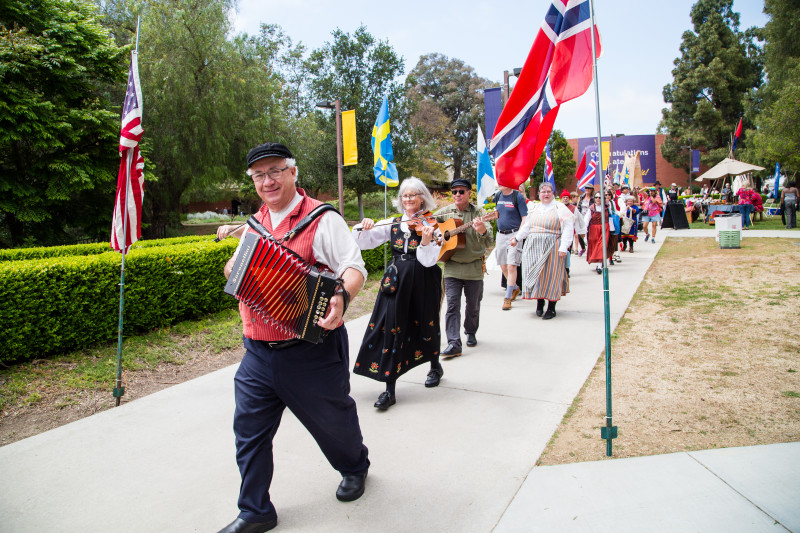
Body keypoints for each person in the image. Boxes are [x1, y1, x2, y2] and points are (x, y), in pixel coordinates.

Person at [219, 143, 370, 533]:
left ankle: (355, 466)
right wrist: (231, 267)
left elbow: (354, 267)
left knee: (332, 422)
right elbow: (235, 272)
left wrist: (341, 296)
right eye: (258, 175)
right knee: (248, 433)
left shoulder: (321, 219)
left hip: (311, 350)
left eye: (274, 171)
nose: (267, 181)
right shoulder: (253, 225)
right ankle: (255, 510)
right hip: (257, 350)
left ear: (292, 172)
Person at [351, 177, 444, 410]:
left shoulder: (432, 225)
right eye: (404, 195)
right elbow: (364, 243)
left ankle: (435, 365)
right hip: (396, 281)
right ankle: (389, 390)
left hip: (423, 280)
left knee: (426, 323)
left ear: (422, 197)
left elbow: (428, 260)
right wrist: (363, 227)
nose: (408, 199)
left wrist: (425, 240)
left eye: (413, 195)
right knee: (391, 327)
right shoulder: (391, 223)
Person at [434, 179, 494, 357]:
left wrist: (482, 229)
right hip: (452, 266)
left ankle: (471, 331)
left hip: (474, 267)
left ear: (469, 193)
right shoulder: (446, 212)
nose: (457, 195)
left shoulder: (480, 213)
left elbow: (489, 240)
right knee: (452, 305)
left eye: (461, 191)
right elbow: (430, 222)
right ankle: (454, 342)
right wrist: (437, 236)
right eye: (454, 192)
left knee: (473, 306)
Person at [510, 182, 573, 319]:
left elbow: (568, 228)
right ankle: (539, 302)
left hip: (552, 245)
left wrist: (564, 247)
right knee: (536, 275)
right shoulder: (534, 208)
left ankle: (551, 308)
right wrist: (517, 238)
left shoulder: (560, 208)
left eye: (548, 191)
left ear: (553, 193)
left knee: (551, 276)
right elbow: (527, 226)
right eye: (543, 191)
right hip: (533, 246)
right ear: (539, 194)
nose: (546, 194)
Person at [494, 184, 528, 310]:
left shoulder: (517, 196)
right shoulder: (498, 195)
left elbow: (525, 219)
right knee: (503, 266)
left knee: (511, 265)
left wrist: (518, 236)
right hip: (500, 234)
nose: (499, 184)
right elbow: (498, 213)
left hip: (514, 233)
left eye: (502, 181)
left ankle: (507, 298)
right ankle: (514, 288)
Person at [584, 190, 610, 274]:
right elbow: (586, 220)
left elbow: (615, 213)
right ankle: (599, 263)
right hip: (594, 228)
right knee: (595, 245)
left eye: (600, 197)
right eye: (596, 197)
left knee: (602, 246)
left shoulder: (607, 207)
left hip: (604, 228)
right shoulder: (591, 208)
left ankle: (600, 265)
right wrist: (584, 231)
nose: (598, 199)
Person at [569, 191, 587, 256]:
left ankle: (577, 248)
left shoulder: (578, 204)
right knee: (572, 235)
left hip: (578, 221)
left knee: (577, 235)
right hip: (572, 222)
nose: (577, 199)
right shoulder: (570, 205)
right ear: (572, 198)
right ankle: (572, 248)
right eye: (576, 198)